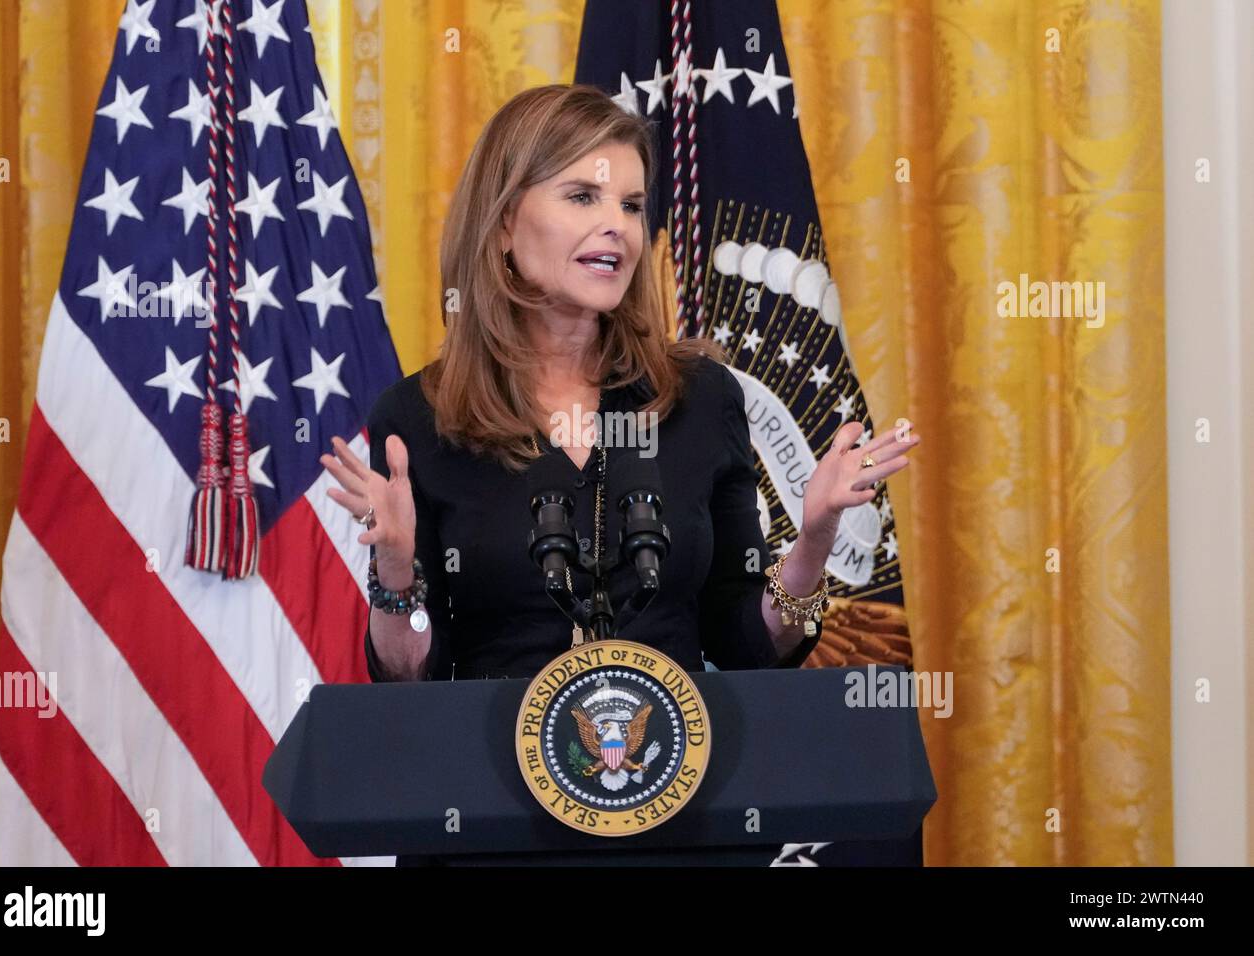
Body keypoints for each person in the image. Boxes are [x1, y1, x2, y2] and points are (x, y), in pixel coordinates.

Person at [317, 84, 921, 863]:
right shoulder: (419, 417)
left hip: (680, 825)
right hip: (493, 833)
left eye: (633, 205)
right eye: (583, 196)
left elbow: (747, 646)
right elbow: (409, 679)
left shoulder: (702, 399)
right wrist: (397, 572)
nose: (619, 226)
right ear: (503, 225)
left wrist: (812, 541)